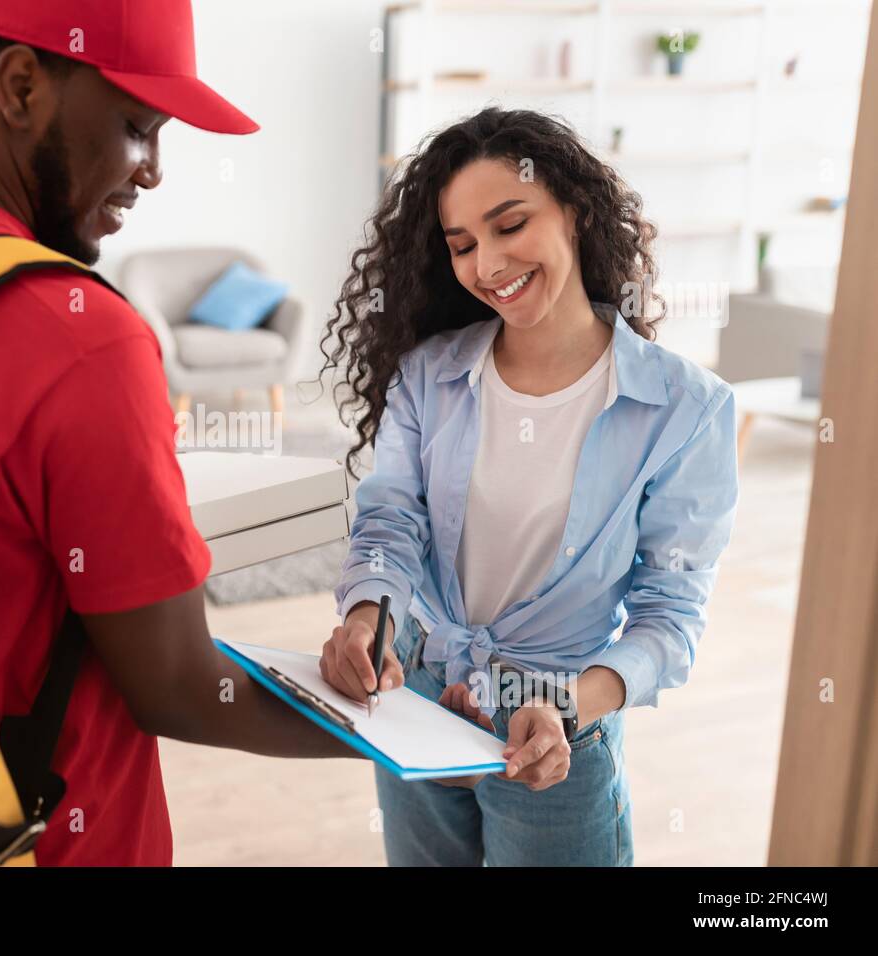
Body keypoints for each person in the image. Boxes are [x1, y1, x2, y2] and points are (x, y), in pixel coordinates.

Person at [0, 0, 350, 867]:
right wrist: (401, 731)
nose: (152, 170)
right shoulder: (83, 335)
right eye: (136, 126)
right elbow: (178, 688)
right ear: (18, 85)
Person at [317, 107, 739, 866]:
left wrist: (565, 707)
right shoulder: (430, 376)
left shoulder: (685, 410)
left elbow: (669, 617)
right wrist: (367, 620)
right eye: (463, 245)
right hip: (412, 699)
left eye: (510, 224)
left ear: (574, 210)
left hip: (552, 736)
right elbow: (390, 523)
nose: (488, 264)